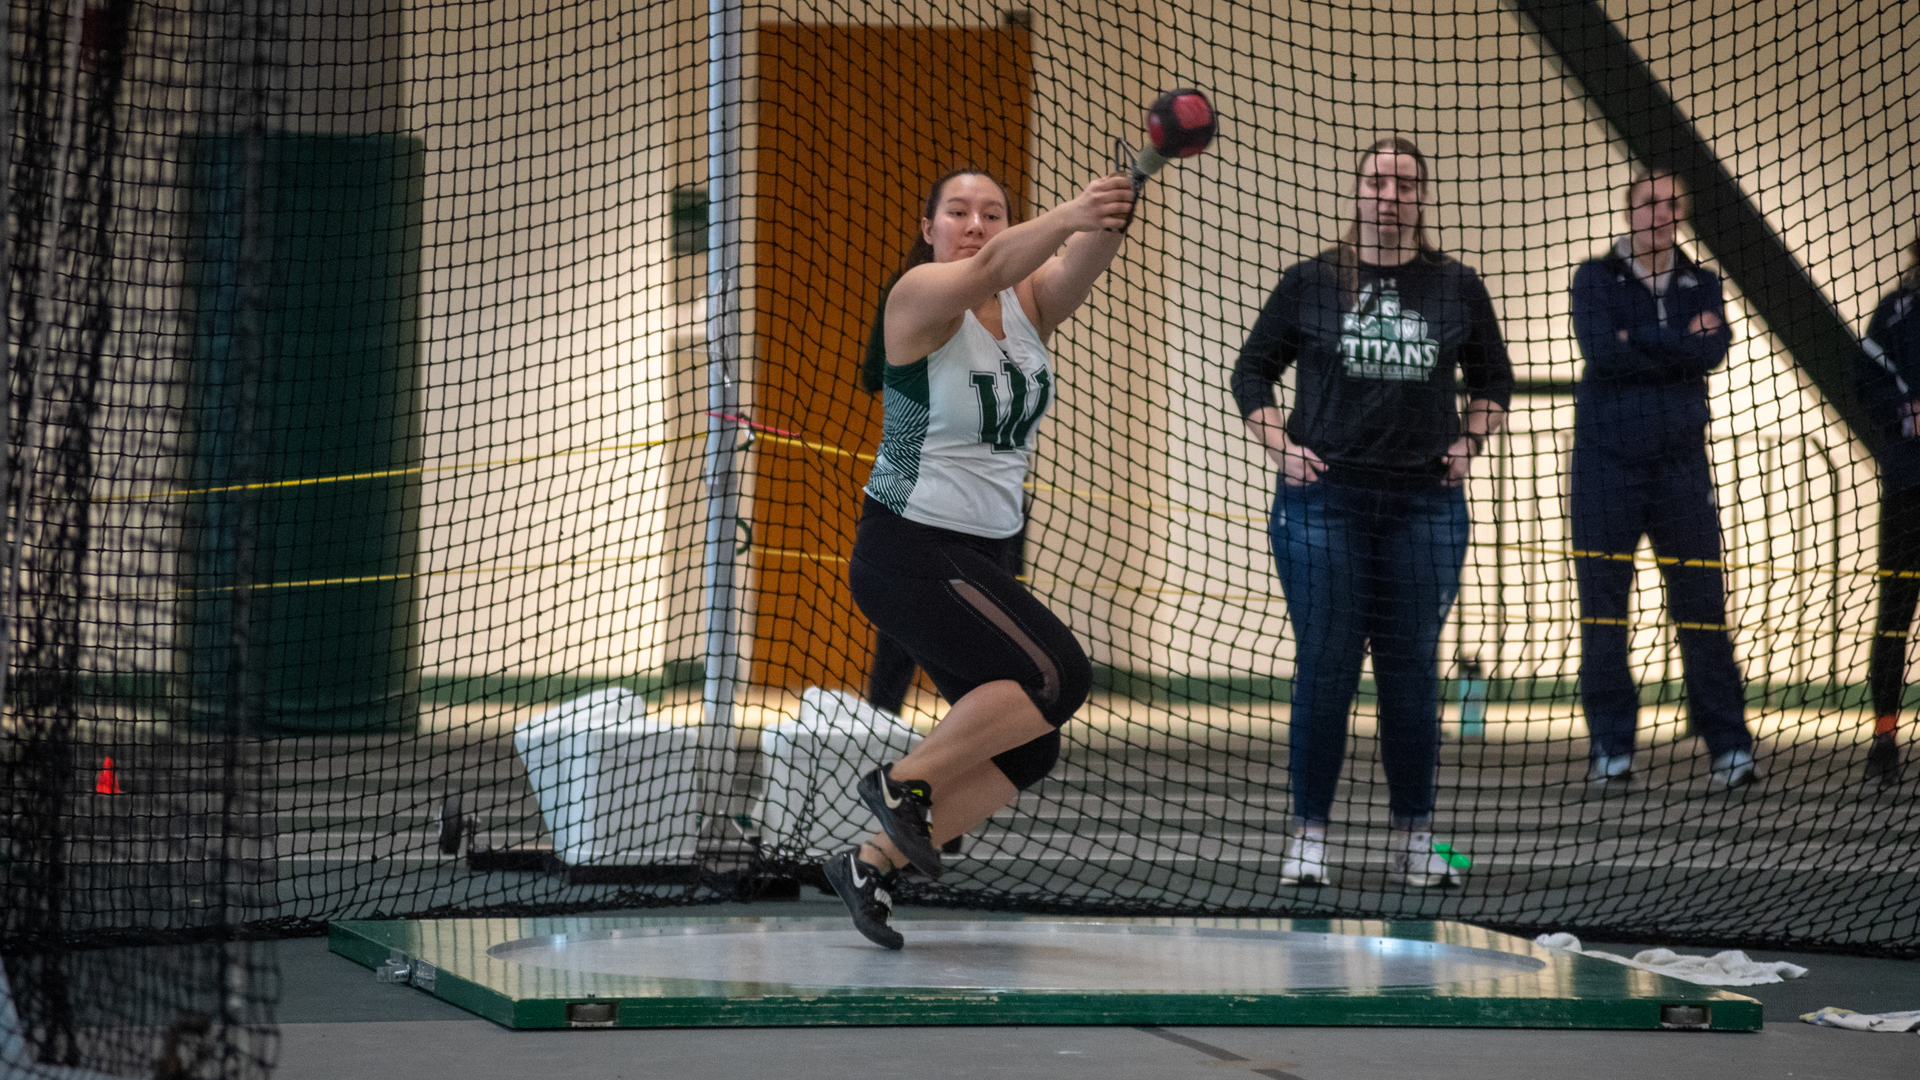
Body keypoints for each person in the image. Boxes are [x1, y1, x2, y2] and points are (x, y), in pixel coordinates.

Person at [824, 167, 1135, 948]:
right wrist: (1071, 211)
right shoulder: (918, 296)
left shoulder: (1026, 308)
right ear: (929, 227)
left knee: (1032, 741)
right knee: (1058, 675)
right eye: (958, 212)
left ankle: (872, 862)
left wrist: (1119, 202)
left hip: (982, 551)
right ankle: (897, 785)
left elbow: (1083, 258)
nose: (976, 223)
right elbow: (997, 265)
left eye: (992, 212)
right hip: (907, 543)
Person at [1232, 136, 1512, 888]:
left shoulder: (1455, 286)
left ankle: (1416, 839)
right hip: (1323, 502)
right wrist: (1279, 448)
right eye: (1377, 180)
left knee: (1410, 672)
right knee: (1325, 667)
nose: (1390, 193)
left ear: (1422, 197)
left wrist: (1468, 444)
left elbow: (1494, 384)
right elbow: (1251, 372)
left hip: (1425, 505)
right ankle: (1309, 839)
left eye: (1406, 182)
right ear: (1358, 192)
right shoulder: (1313, 282)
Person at [1568, 167, 1757, 792]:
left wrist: (1643, 339)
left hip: (1680, 466)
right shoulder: (1595, 278)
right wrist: (1674, 341)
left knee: (1702, 607)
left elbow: (1712, 350)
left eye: (1672, 204)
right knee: (1603, 614)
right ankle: (1612, 750)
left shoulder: (1701, 281)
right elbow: (1605, 351)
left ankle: (1729, 747)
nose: (1660, 213)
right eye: (1649, 202)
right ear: (1629, 211)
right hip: (1605, 467)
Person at [1854, 231, 1920, 788]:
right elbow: (1865, 377)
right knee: (1894, 616)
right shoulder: (1898, 311)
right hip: (1908, 487)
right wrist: (1904, 413)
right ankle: (1884, 737)